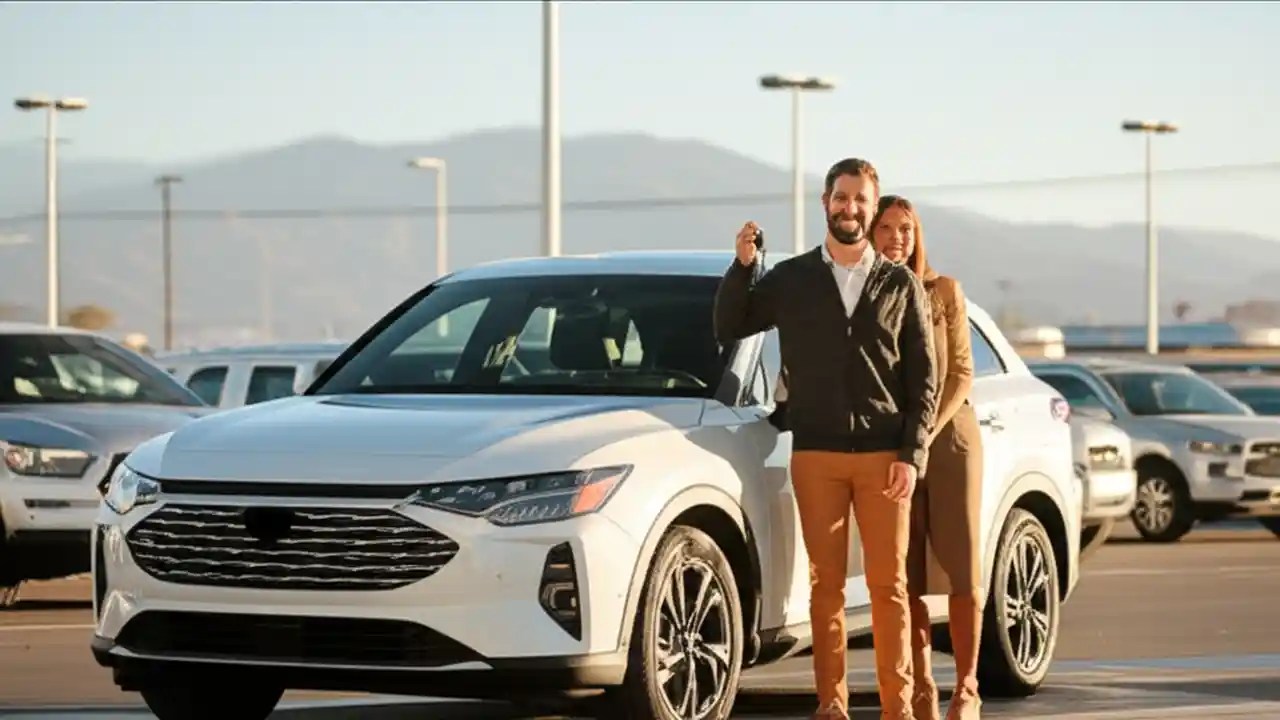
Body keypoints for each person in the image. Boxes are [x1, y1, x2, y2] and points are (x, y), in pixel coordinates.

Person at [713, 158, 939, 720]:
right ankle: (831, 706)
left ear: (872, 205)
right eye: (842, 198)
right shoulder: (790, 279)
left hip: (886, 456)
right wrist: (742, 267)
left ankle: (898, 708)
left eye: (861, 199)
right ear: (825, 203)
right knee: (826, 588)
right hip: (816, 455)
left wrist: (912, 454)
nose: (851, 208)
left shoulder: (900, 283)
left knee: (889, 590)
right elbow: (730, 325)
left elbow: (924, 378)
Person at [870, 194, 984, 720]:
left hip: (950, 444)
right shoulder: (863, 297)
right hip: (893, 456)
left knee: (962, 572)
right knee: (905, 577)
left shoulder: (944, 292)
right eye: (887, 228)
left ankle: (966, 686)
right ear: (870, 234)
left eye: (906, 229)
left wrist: (923, 433)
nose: (897, 237)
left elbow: (961, 374)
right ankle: (921, 691)